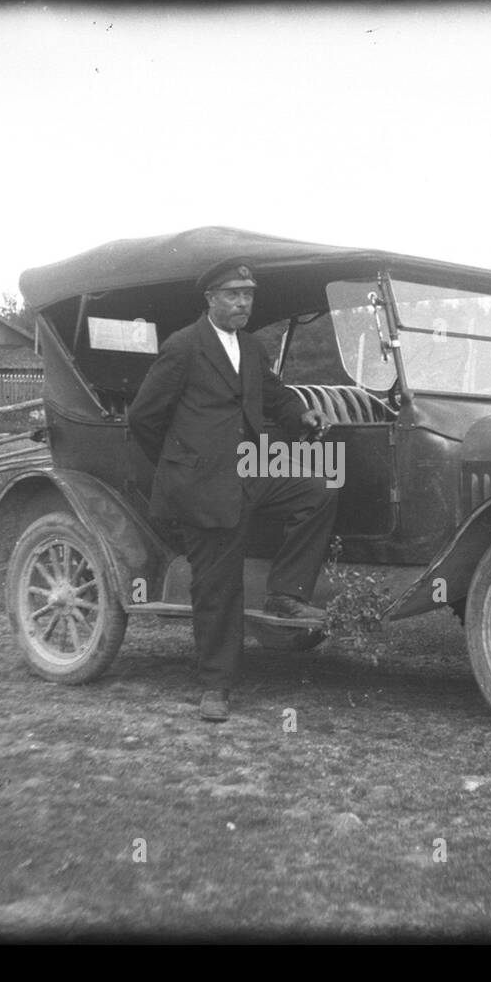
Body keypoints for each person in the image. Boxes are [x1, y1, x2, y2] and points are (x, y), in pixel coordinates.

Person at [128, 259, 338, 722]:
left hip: (251, 470)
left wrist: (301, 415)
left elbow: (273, 393)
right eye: (233, 294)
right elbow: (144, 417)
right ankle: (215, 687)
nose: (243, 302)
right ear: (211, 300)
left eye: (248, 294)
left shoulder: (251, 346)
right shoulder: (183, 347)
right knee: (218, 588)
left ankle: (286, 592)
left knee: (319, 489)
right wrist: (182, 463)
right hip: (203, 486)